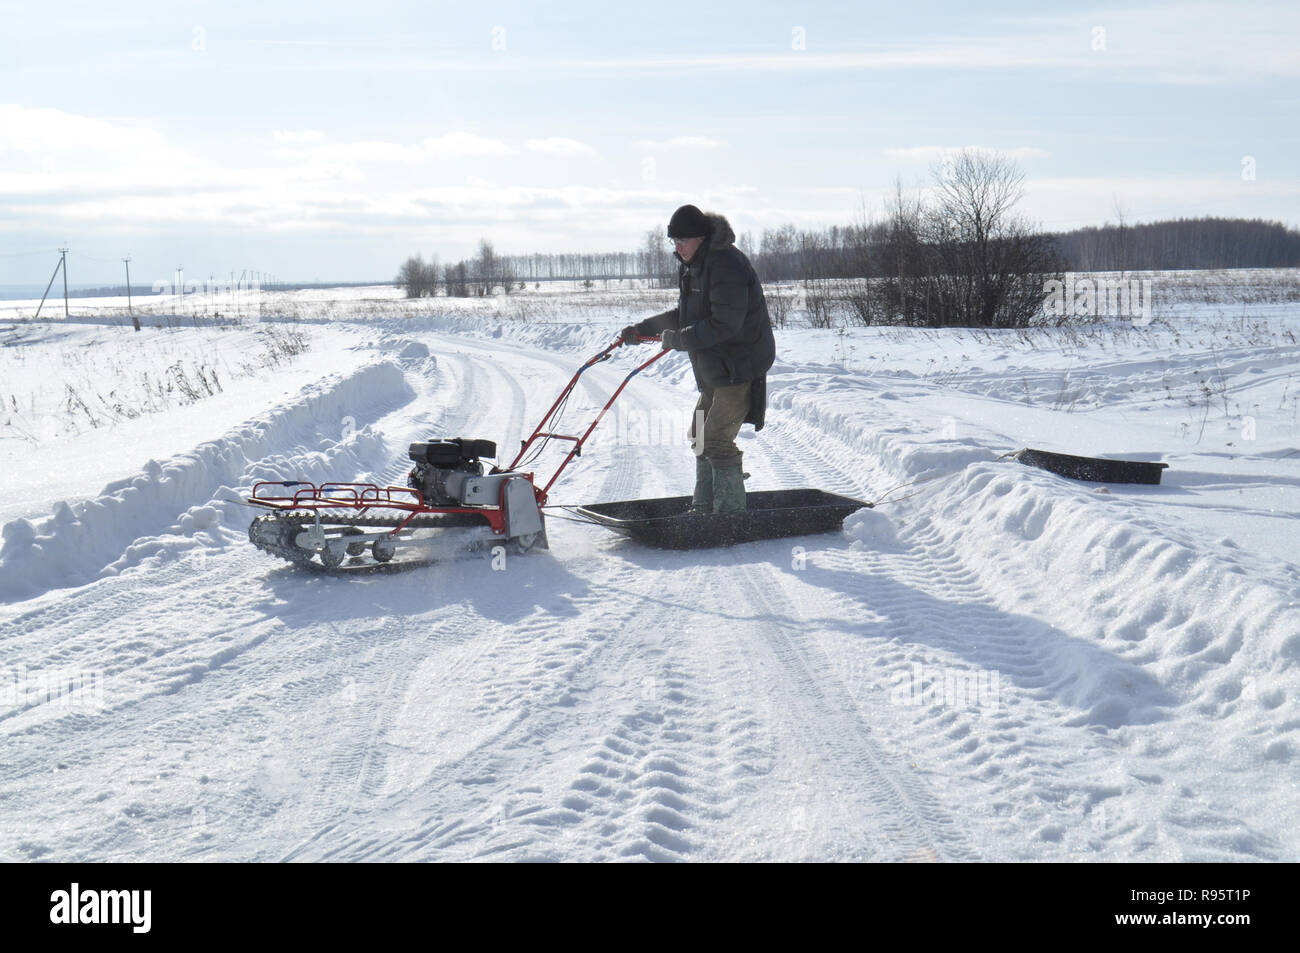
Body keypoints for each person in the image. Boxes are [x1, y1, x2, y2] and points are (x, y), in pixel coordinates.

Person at [622, 204, 775, 514]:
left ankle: (730, 513)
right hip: (714, 367)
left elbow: (725, 323)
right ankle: (705, 506)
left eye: (683, 241)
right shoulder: (693, 265)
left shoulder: (726, 265)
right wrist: (643, 329)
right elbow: (686, 315)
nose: (677, 248)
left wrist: (680, 339)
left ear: (702, 238)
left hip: (739, 364)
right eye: (674, 242)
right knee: (700, 434)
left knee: (716, 438)